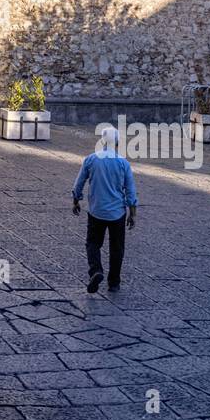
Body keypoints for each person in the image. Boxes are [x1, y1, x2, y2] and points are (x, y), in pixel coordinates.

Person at [72, 124, 137, 294]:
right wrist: (133, 213)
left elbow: (79, 183)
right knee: (117, 248)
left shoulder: (91, 159)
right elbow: (130, 191)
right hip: (117, 213)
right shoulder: (123, 163)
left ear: (102, 141)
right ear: (117, 143)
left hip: (96, 211)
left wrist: (76, 200)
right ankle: (114, 282)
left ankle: (96, 271)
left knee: (93, 243)